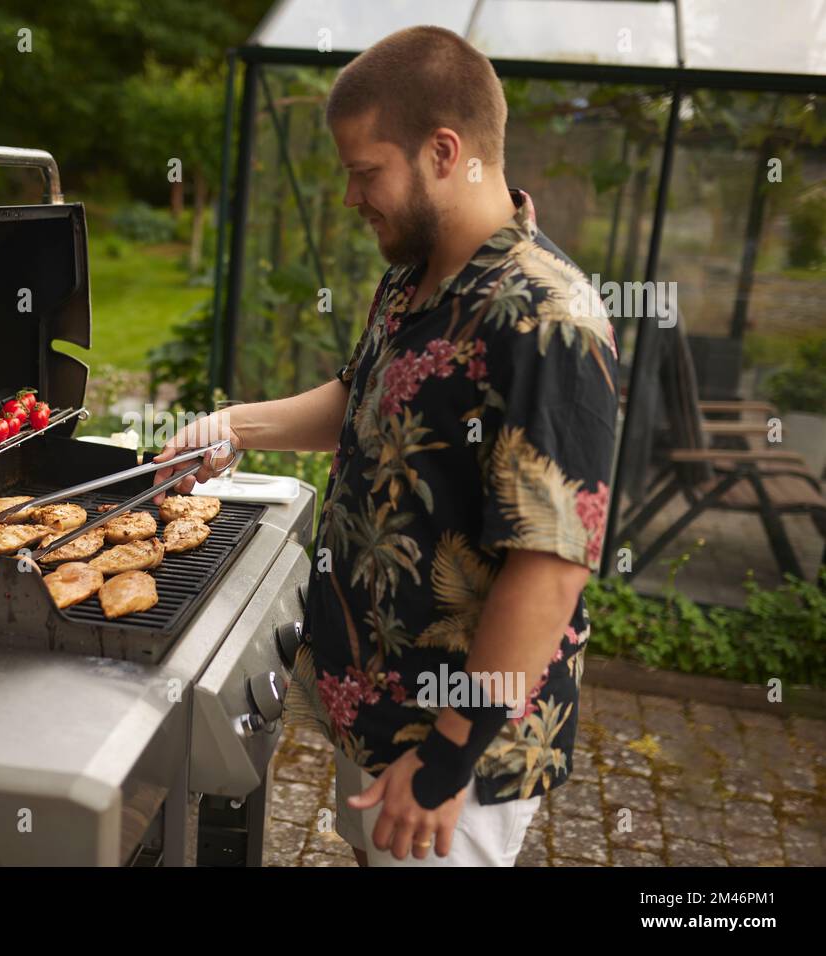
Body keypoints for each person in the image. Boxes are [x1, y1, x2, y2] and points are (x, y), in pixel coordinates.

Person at [151, 25, 618, 866]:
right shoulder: (416, 275)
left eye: (366, 173)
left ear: (444, 151)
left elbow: (550, 571)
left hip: (455, 741)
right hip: (373, 702)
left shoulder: (548, 317)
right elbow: (367, 398)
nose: (350, 197)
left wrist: (444, 757)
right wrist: (233, 428)